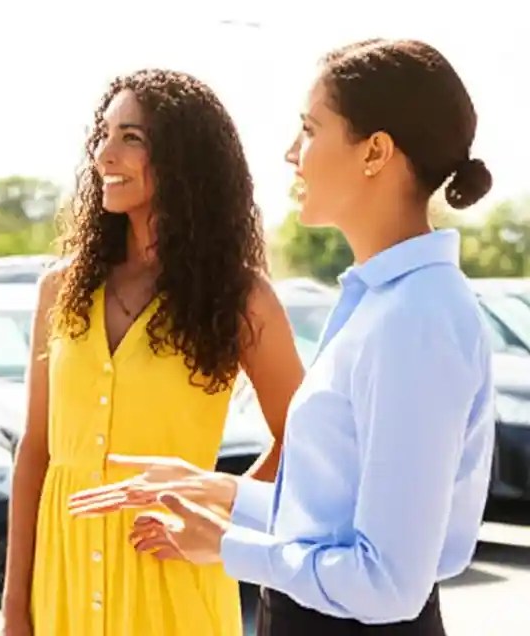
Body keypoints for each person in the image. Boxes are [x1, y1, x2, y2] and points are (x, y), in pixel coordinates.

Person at [70, 38, 495, 635]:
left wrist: (228, 545)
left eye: (310, 129)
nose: (292, 153)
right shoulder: (381, 304)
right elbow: (332, 522)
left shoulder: (416, 319)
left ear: (375, 151)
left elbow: (388, 584)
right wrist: (216, 489)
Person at [2, 69, 305, 635]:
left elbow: (308, 439)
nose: (104, 155)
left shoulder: (242, 299)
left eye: (131, 138)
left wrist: (216, 513)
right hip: (61, 591)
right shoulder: (59, 288)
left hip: (173, 594)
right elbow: (35, 454)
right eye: (104, 135)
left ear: (184, 158)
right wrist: (15, 610)